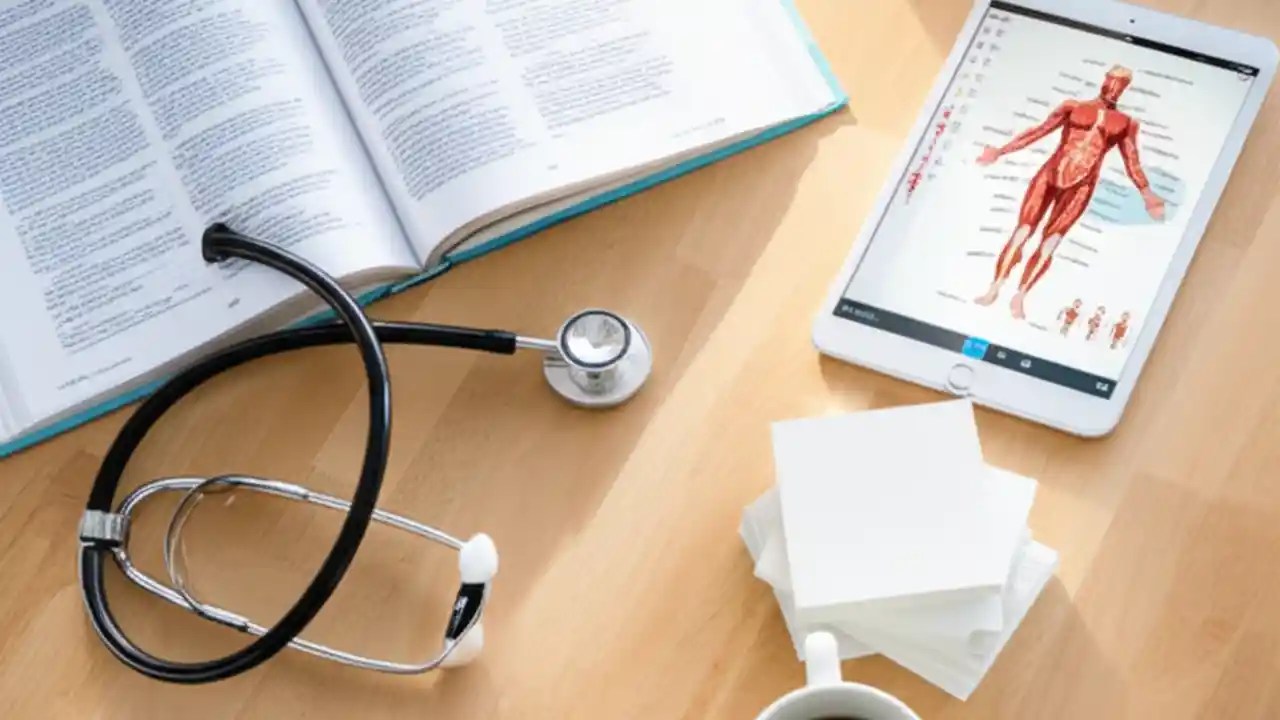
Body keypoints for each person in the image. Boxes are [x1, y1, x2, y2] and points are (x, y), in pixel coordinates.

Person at [974, 65, 1166, 319]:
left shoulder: (1126, 123)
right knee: (1022, 233)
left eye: (1122, 85)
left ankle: (1020, 295)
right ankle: (995, 287)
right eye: (1112, 81)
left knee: (1050, 242)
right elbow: (1039, 131)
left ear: (1125, 89)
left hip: (1082, 184)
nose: (1114, 88)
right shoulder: (1073, 107)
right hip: (1051, 174)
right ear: (1105, 80)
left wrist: (1146, 193)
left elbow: (1131, 159)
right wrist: (1002, 151)